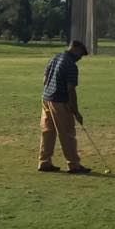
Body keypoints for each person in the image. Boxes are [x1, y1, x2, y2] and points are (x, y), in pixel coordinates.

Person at [38, 41, 90, 174]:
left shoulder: (55, 57)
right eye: (81, 54)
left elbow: (45, 80)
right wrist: (76, 111)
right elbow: (71, 90)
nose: (80, 58)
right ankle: (74, 165)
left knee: (48, 132)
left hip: (46, 99)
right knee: (67, 133)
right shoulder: (71, 65)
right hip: (60, 102)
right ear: (75, 48)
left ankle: (44, 162)